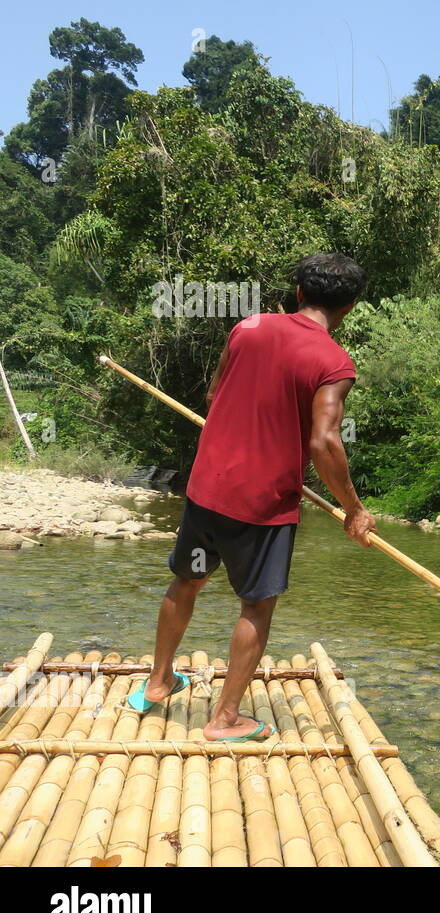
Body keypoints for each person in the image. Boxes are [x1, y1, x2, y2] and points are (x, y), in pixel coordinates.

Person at [126, 253, 377, 741]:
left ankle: (158, 684)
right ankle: (224, 719)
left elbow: (217, 395)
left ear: (300, 293)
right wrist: (354, 509)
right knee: (256, 607)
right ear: (348, 307)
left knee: (187, 581)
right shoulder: (333, 362)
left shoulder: (250, 326)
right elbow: (324, 442)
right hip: (263, 506)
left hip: (206, 487)